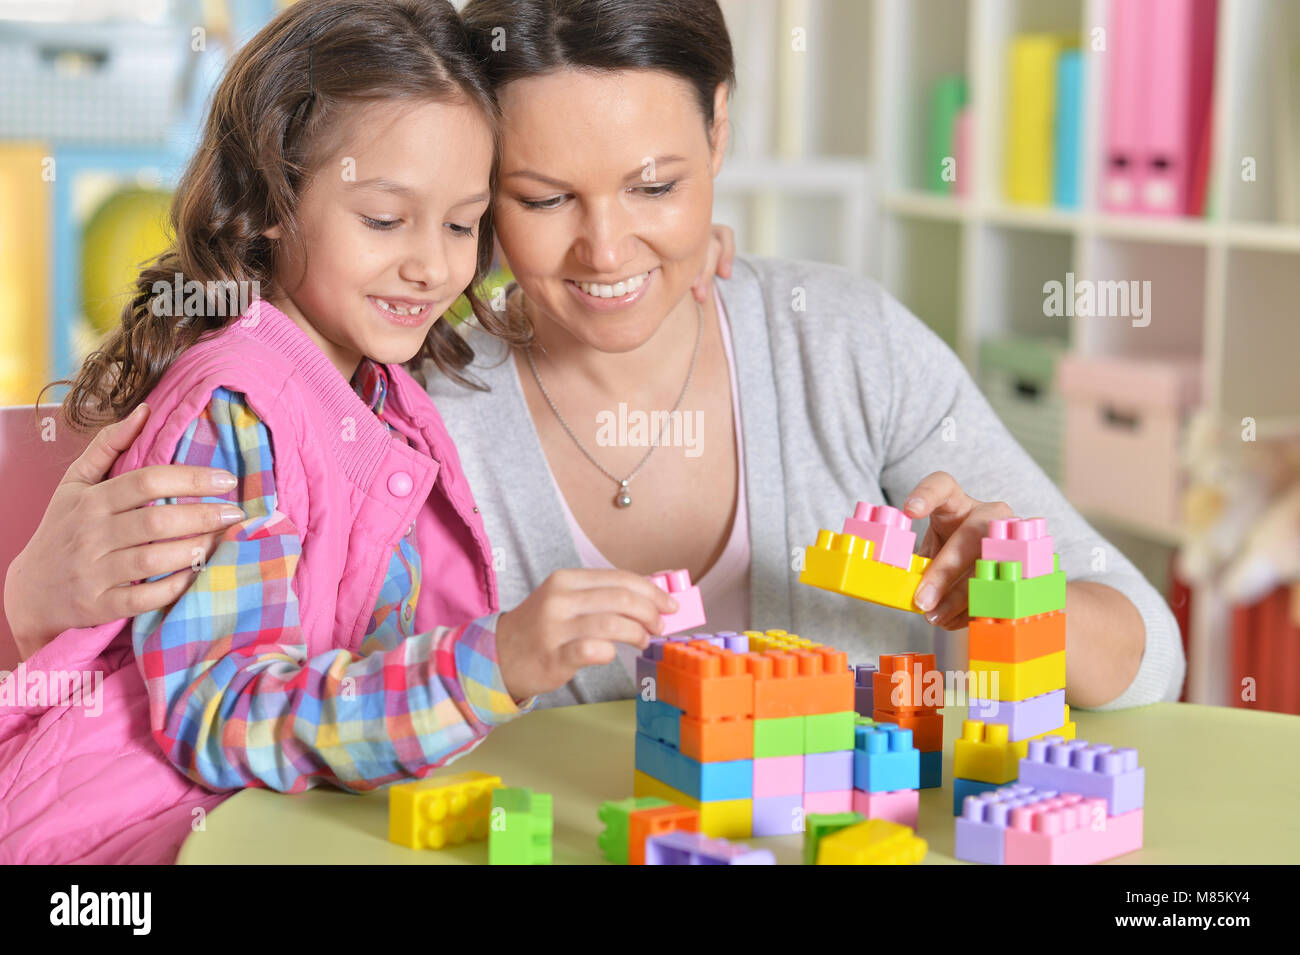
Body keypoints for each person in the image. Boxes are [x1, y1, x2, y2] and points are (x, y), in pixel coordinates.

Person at [5, 0, 1183, 718]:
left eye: (657, 185)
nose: (608, 247)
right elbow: (245, 698)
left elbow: (1152, 660)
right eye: (542, 196)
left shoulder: (842, 345)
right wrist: (28, 607)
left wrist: (1010, 605)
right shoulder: (406, 402)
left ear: (719, 127)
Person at [0, 0, 692, 865]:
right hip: (134, 841)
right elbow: (222, 716)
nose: (432, 265)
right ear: (269, 203)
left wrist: (691, 249)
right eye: (384, 219)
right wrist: (495, 660)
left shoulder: (375, 384)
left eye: (459, 222)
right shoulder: (237, 412)